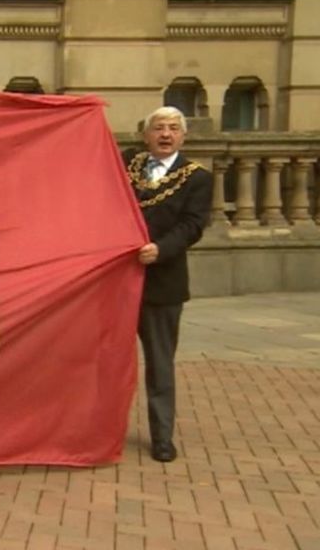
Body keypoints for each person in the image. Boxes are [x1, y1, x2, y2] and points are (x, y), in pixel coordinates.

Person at [123, 106, 212, 463]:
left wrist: (160, 250)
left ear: (183, 136)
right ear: (145, 135)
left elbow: (193, 225)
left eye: (173, 128)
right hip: (116, 280)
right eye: (158, 127)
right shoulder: (128, 163)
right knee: (106, 359)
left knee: (160, 364)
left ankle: (162, 436)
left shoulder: (197, 178)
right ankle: (100, 427)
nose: (165, 134)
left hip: (162, 282)